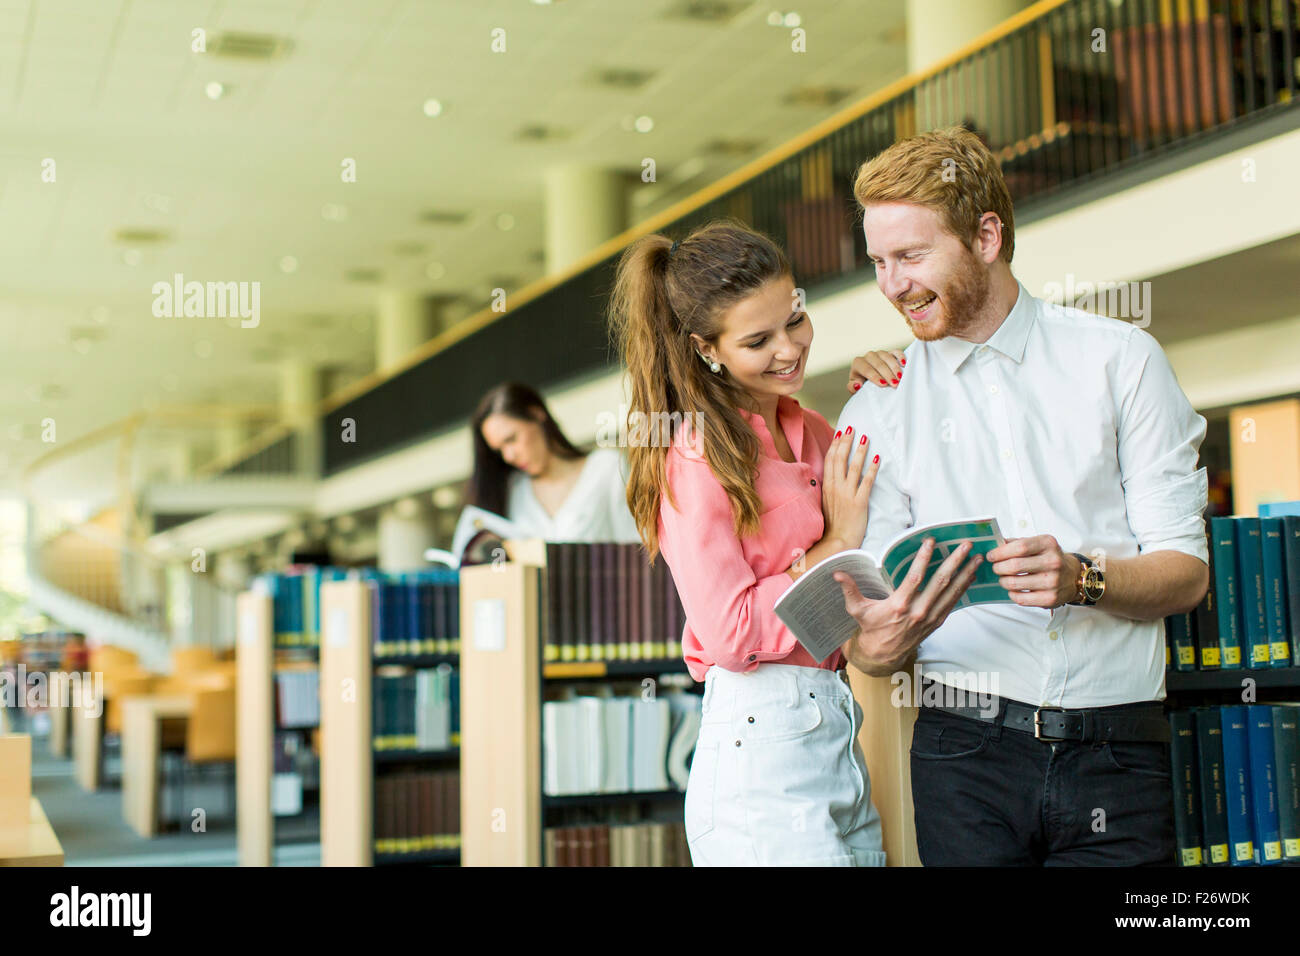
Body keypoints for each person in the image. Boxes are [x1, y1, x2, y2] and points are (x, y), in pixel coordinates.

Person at [835, 126, 1209, 866]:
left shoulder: (1120, 361)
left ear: (986, 235)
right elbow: (869, 641)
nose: (891, 284)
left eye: (910, 256)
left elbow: (1186, 573)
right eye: (879, 261)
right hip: (961, 757)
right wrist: (875, 646)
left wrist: (1083, 579)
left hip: (1120, 752)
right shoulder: (877, 406)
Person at [608, 219, 983, 866]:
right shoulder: (692, 457)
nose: (790, 348)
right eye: (758, 340)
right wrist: (836, 542)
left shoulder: (811, 428)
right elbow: (729, 632)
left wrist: (887, 390)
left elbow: (881, 515)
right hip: (758, 749)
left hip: (837, 727)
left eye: (795, 319)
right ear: (707, 347)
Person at [466, 382, 639, 543]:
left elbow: (636, 546)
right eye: (499, 450)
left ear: (536, 414)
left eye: (511, 439)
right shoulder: (515, 491)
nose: (508, 456)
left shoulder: (605, 468)